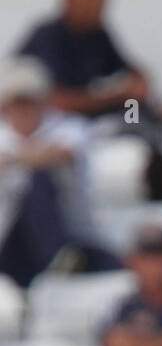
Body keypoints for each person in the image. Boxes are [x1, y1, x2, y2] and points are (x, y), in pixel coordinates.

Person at [16, 0, 162, 200]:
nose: (99, 6)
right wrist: (119, 94)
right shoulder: (49, 37)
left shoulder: (98, 34)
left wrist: (145, 91)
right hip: (60, 128)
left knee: (138, 112)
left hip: (102, 119)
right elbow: (56, 102)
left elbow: (132, 72)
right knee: (133, 114)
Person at [0, 56, 117, 286]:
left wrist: (15, 159)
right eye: (18, 103)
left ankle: (56, 254)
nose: (24, 110)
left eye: (29, 101)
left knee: (40, 179)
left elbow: (62, 154)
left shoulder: (69, 127)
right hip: (10, 242)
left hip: (73, 234)